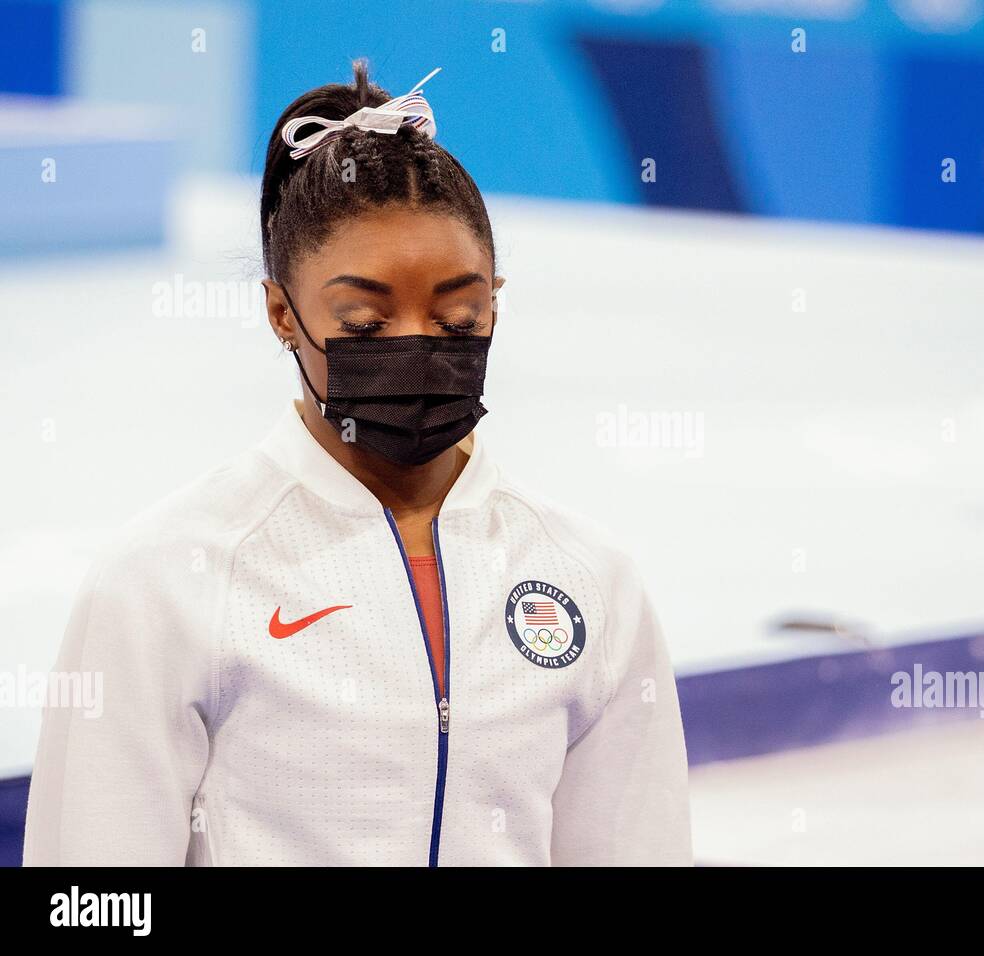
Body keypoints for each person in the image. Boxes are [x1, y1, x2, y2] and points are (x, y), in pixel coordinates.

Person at [23, 62, 693, 866]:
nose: (417, 345)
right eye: (367, 325)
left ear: (495, 301)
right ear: (282, 313)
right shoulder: (168, 579)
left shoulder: (591, 580)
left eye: (457, 316)